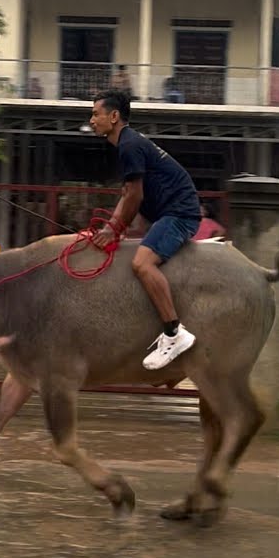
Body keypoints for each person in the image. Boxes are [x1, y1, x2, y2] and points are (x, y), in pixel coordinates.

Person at [88, 89, 202, 370]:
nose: (91, 120)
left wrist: (114, 229)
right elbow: (128, 193)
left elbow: (135, 197)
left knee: (142, 264)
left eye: (95, 114)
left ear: (114, 117)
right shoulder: (127, 144)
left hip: (180, 215)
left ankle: (174, 333)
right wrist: (109, 227)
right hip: (167, 214)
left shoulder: (129, 146)